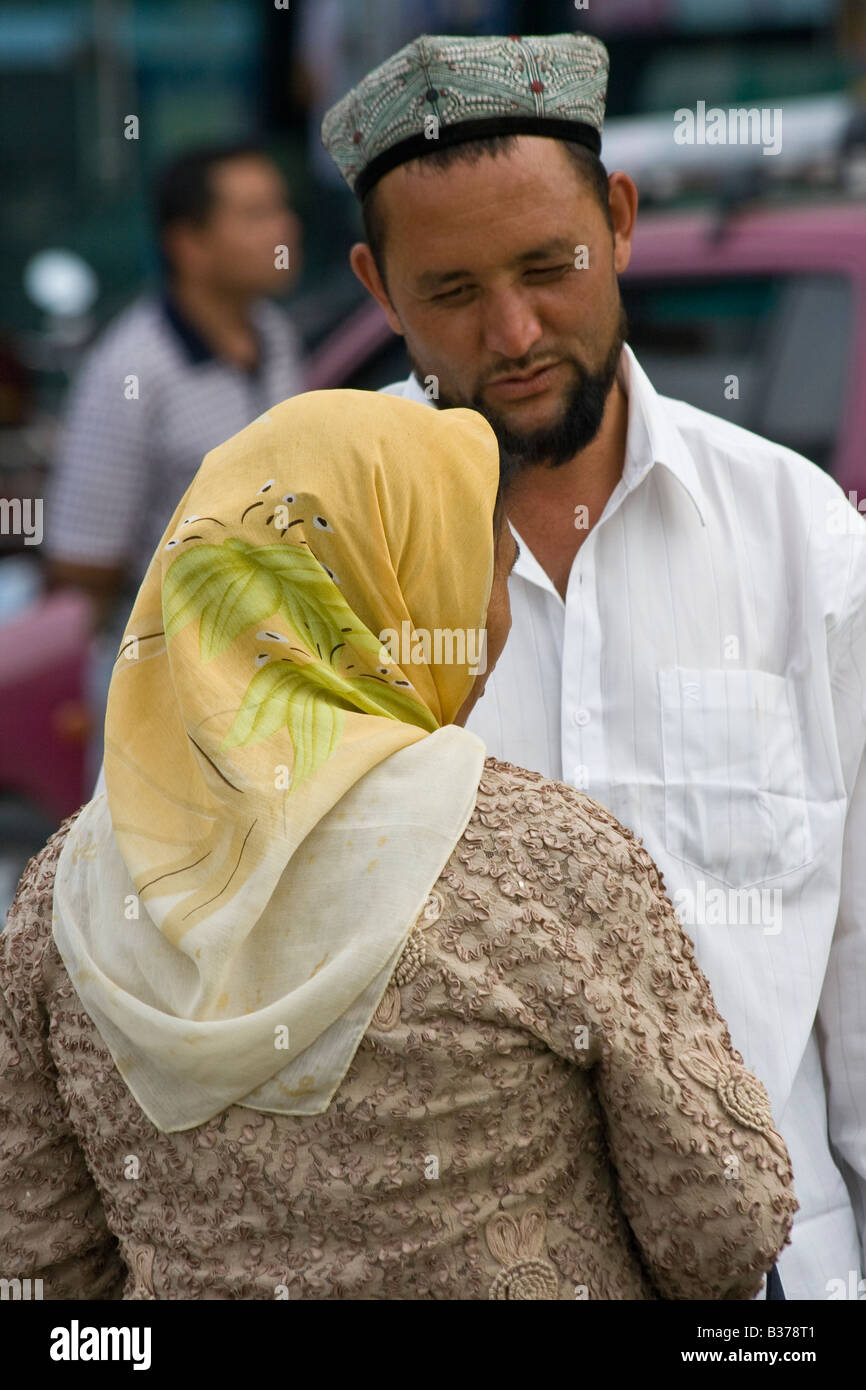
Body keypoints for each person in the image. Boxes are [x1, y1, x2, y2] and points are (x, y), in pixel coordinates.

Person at [0, 389, 796, 1300]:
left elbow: (41, 1267)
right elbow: (724, 1225)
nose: (497, 621)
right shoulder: (548, 864)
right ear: (403, 586)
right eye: (489, 571)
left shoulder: (66, 900)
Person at [320, 31, 866, 1299]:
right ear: (374, 286)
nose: (511, 332)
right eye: (450, 291)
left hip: (768, 1283)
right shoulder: (308, 565)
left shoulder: (804, 545)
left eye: (546, 268)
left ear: (617, 221)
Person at [43, 141, 305, 781]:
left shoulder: (274, 336)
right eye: (256, 214)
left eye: (281, 207)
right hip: (166, 705)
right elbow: (81, 562)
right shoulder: (132, 370)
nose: (285, 229)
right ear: (189, 244)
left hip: (274, 685)